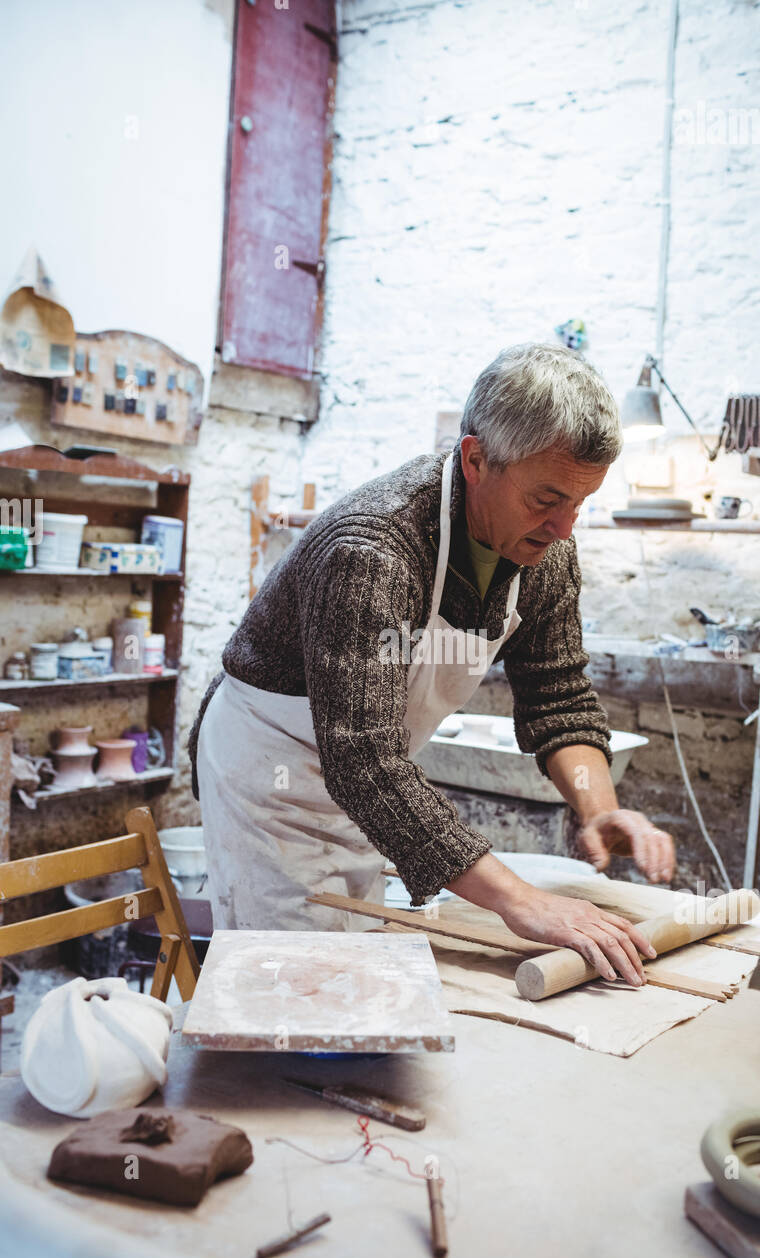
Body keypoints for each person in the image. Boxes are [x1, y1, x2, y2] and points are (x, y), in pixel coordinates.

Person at [189, 343, 676, 986]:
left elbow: (556, 691)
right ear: (476, 460)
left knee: (354, 973)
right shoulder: (373, 550)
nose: (563, 527)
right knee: (293, 985)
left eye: (579, 504)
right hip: (274, 777)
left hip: (367, 781)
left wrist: (597, 807)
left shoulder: (546, 552)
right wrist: (519, 901)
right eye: (546, 500)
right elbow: (363, 759)